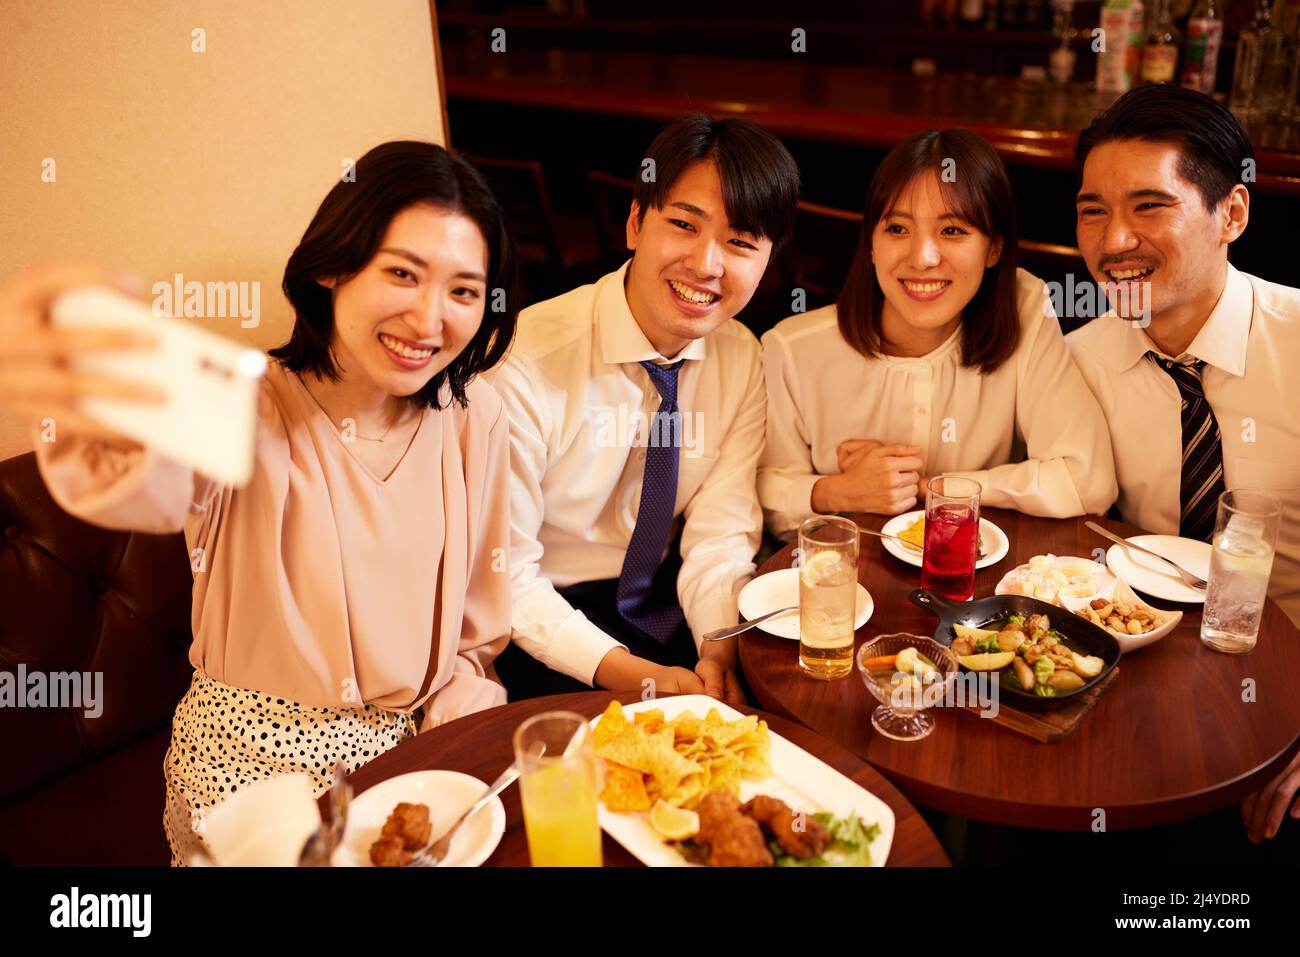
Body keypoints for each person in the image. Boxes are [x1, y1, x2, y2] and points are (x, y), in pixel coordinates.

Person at [0, 141, 519, 863]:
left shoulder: (475, 414)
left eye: (464, 290)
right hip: (250, 780)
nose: (431, 320)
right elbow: (142, 481)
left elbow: (473, 636)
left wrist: (468, 744)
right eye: (403, 273)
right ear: (334, 266)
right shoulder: (244, 404)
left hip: (411, 759)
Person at [489, 113, 800, 704]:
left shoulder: (741, 357)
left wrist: (717, 645)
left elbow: (719, 533)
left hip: (670, 599)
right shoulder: (524, 365)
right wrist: (632, 676)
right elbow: (507, 574)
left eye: (739, 242)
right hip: (544, 615)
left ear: (766, 261)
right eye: (684, 224)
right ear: (635, 222)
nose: (708, 265)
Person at [759, 129, 1115, 540]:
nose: (923, 258)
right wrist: (839, 490)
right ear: (871, 244)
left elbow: (1086, 481)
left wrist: (934, 487)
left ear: (994, 248)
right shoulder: (793, 348)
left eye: (952, 231)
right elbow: (761, 499)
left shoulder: (1024, 308)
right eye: (896, 229)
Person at [1066, 84, 1299, 628]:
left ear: (1232, 215)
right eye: (1094, 210)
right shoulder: (1075, 362)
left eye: (1149, 205)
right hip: (1132, 641)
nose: (1115, 240)